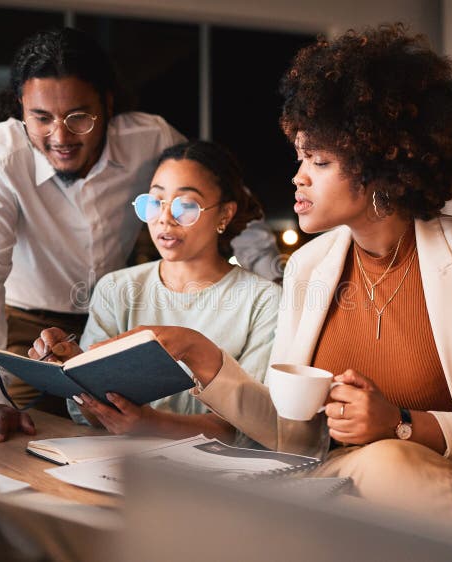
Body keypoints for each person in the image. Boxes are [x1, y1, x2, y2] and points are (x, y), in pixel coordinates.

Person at [42, 24, 452, 556]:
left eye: (319, 161)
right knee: (374, 470)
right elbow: (288, 431)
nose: (297, 177)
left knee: (391, 463)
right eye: (300, 156)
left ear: (384, 166)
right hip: (346, 478)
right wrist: (202, 356)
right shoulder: (309, 266)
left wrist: (401, 425)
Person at [0, 28, 280, 444]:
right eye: (42, 118)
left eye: (79, 117)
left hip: (115, 319)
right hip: (28, 326)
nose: (61, 136)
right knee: (14, 436)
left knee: (121, 430)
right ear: (21, 108)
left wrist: (275, 278)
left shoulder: (148, 139)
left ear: (108, 103)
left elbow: (217, 191)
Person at [30, 141, 281, 444]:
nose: (165, 218)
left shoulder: (263, 300)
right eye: (155, 201)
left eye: (185, 205)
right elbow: (95, 417)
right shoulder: (116, 289)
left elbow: (249, 426)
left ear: (224, 214)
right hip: (121, 465)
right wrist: (72, 368)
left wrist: (152, 424)